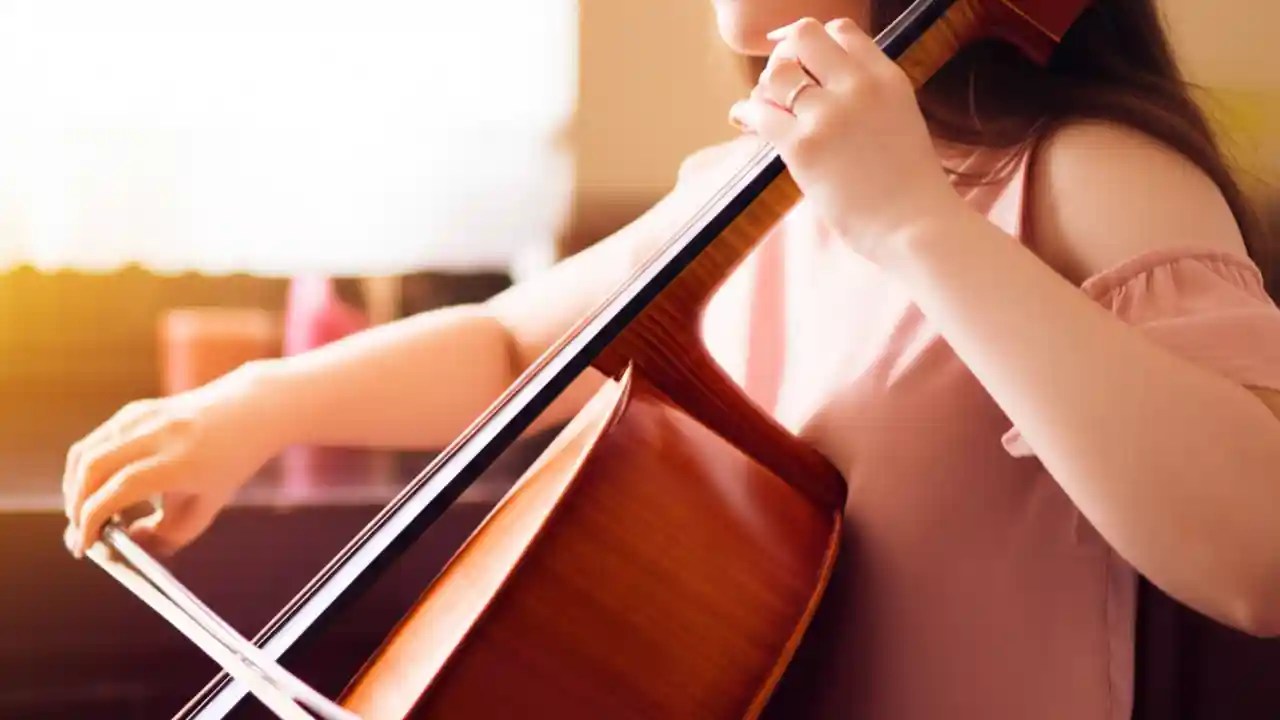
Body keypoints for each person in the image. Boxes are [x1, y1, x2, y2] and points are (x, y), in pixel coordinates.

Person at [63, 1, 1280, 717]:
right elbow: (506, 349)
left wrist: (915, 227)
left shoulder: (1084, 178)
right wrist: (259, 402)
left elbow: (1254, 556)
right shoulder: (735, 198)